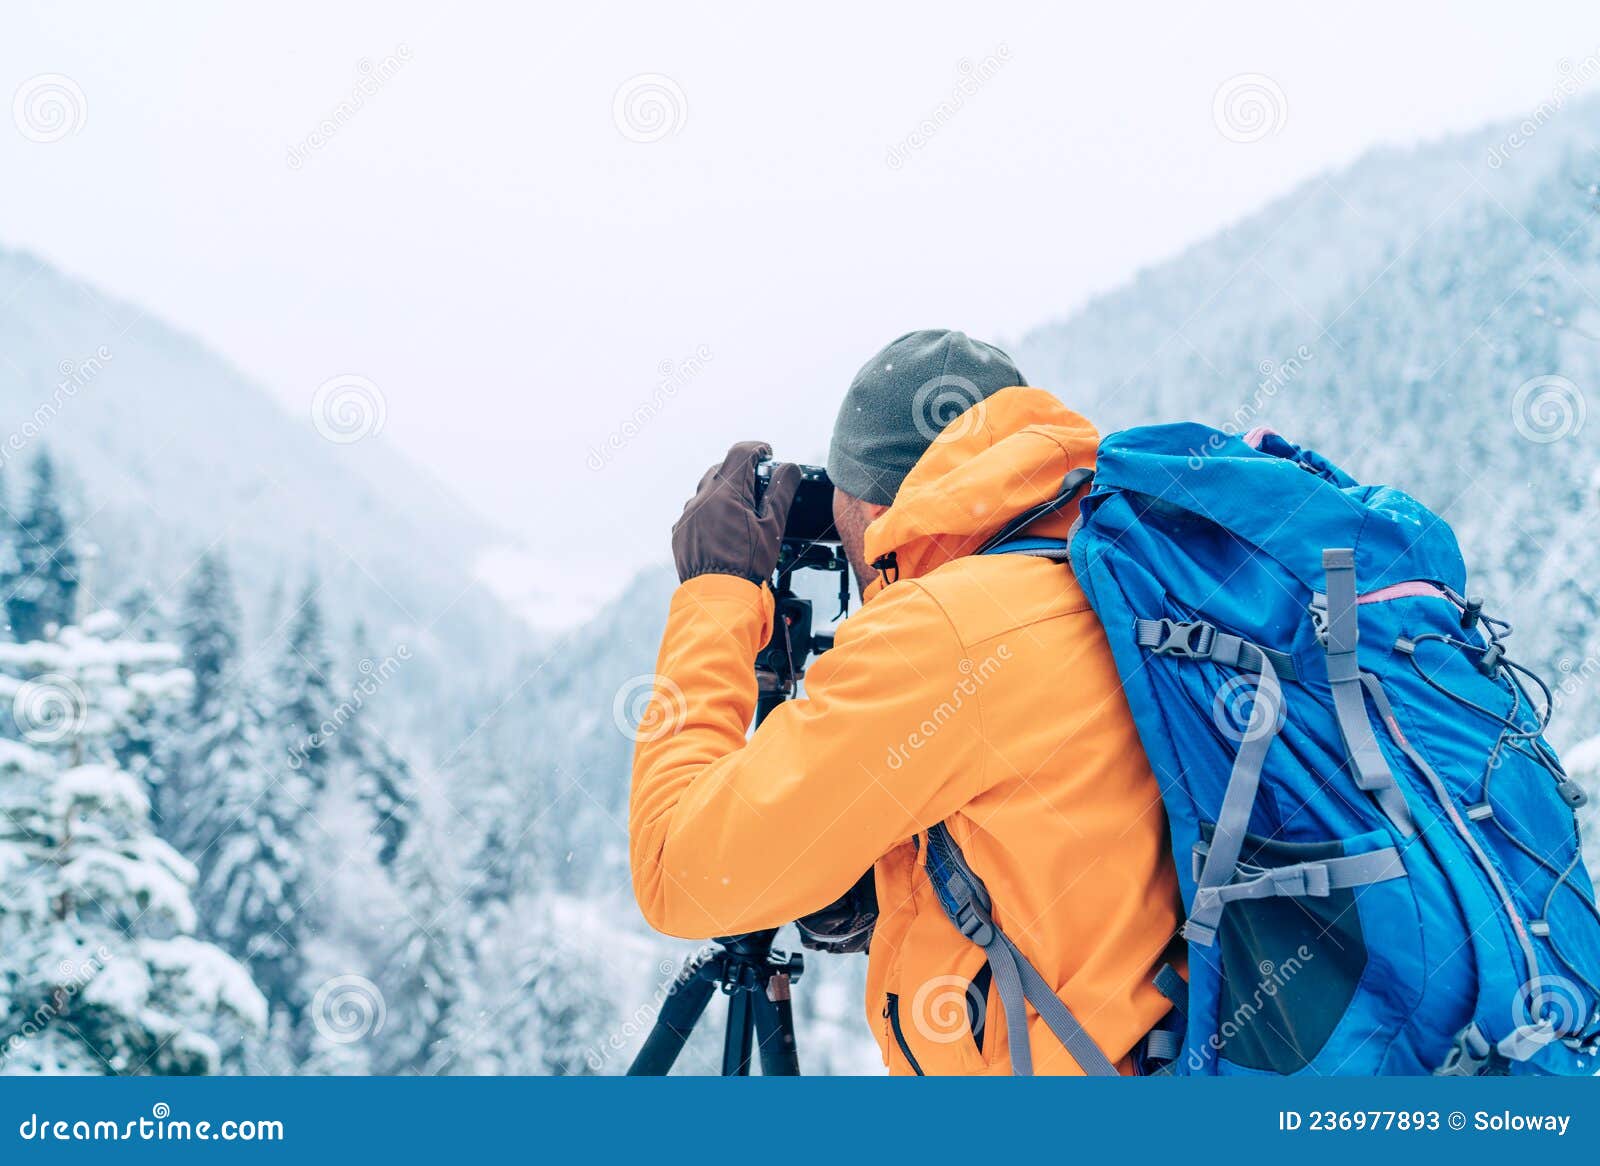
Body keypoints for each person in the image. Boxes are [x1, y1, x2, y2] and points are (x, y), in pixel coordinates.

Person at [629, 329, 1180, 1075]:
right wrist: (891, 871)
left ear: (864, 501)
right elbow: (1056, 825)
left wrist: (715, 592)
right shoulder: (1119, 574)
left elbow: (679, 872)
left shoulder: (944, 635)